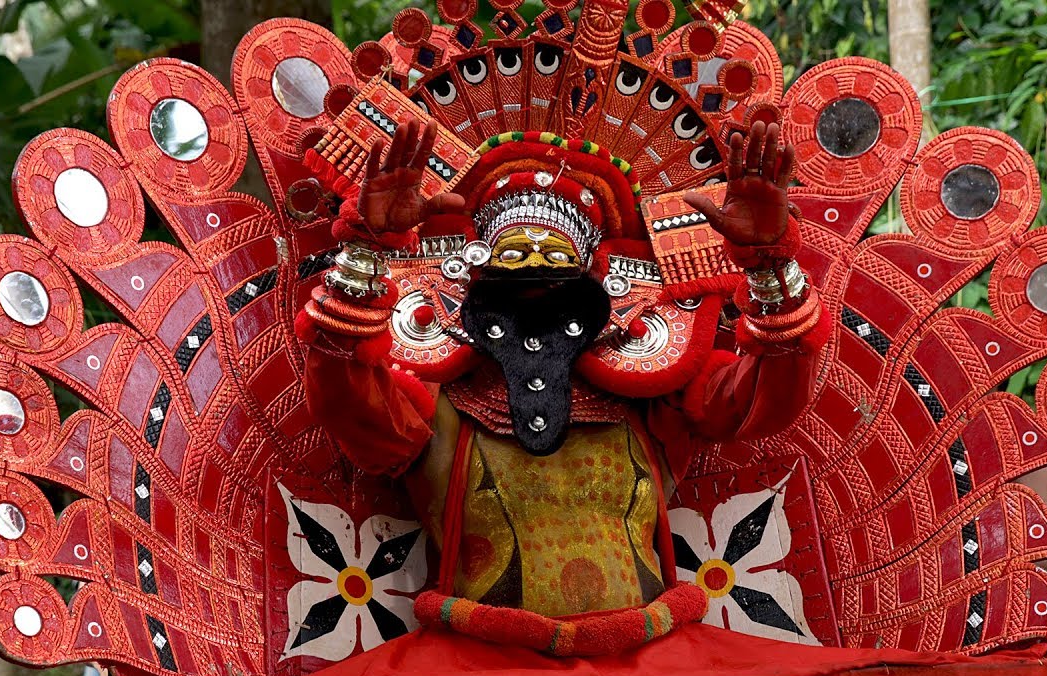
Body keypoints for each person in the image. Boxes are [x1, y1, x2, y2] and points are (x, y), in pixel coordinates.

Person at [296, 117, 829, 647]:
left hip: (648, 668)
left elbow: (768, 395)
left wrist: (769, 264)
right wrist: (367, 249)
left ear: (596, 284)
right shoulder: (433, 401)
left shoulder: (651, 391)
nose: (534, 266)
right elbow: (344, 394)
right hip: (485, 675)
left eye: (556, 258)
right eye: (513, 254)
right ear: (477, 274)